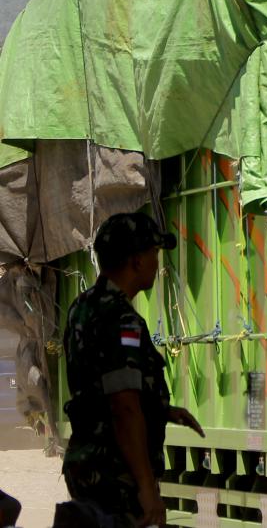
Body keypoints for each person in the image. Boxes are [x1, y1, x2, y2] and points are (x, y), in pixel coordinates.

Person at [59, 212, 204, 528]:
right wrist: (146, 488)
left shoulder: (82, 307)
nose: (156, 261)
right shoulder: (122, 319)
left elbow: (97, 386)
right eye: (153, 253)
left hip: (85, 463)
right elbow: (123, 406)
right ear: (136, 261)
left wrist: (160, 408)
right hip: (115, 474)